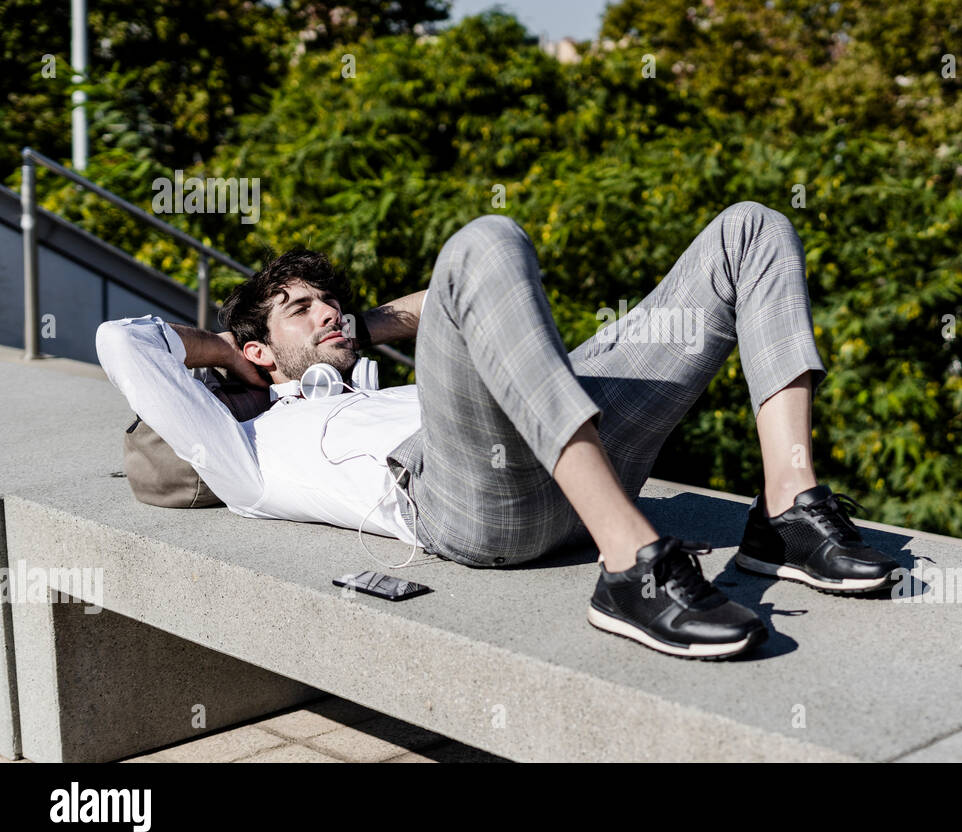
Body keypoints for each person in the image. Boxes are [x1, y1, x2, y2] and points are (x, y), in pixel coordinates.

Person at [95, 201, 901, 660]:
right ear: (258, 347)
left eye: (329, 298)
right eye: (300, 308)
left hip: (551, 449)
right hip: (469, 503)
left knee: (750, 232)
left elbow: (444, 304)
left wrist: (354, 331)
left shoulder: (383, 376)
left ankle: (787, 513)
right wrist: (232, 357)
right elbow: (121, 342)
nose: (326, 309)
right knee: (484, 240)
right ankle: (630, 568)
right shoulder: (247, 445)